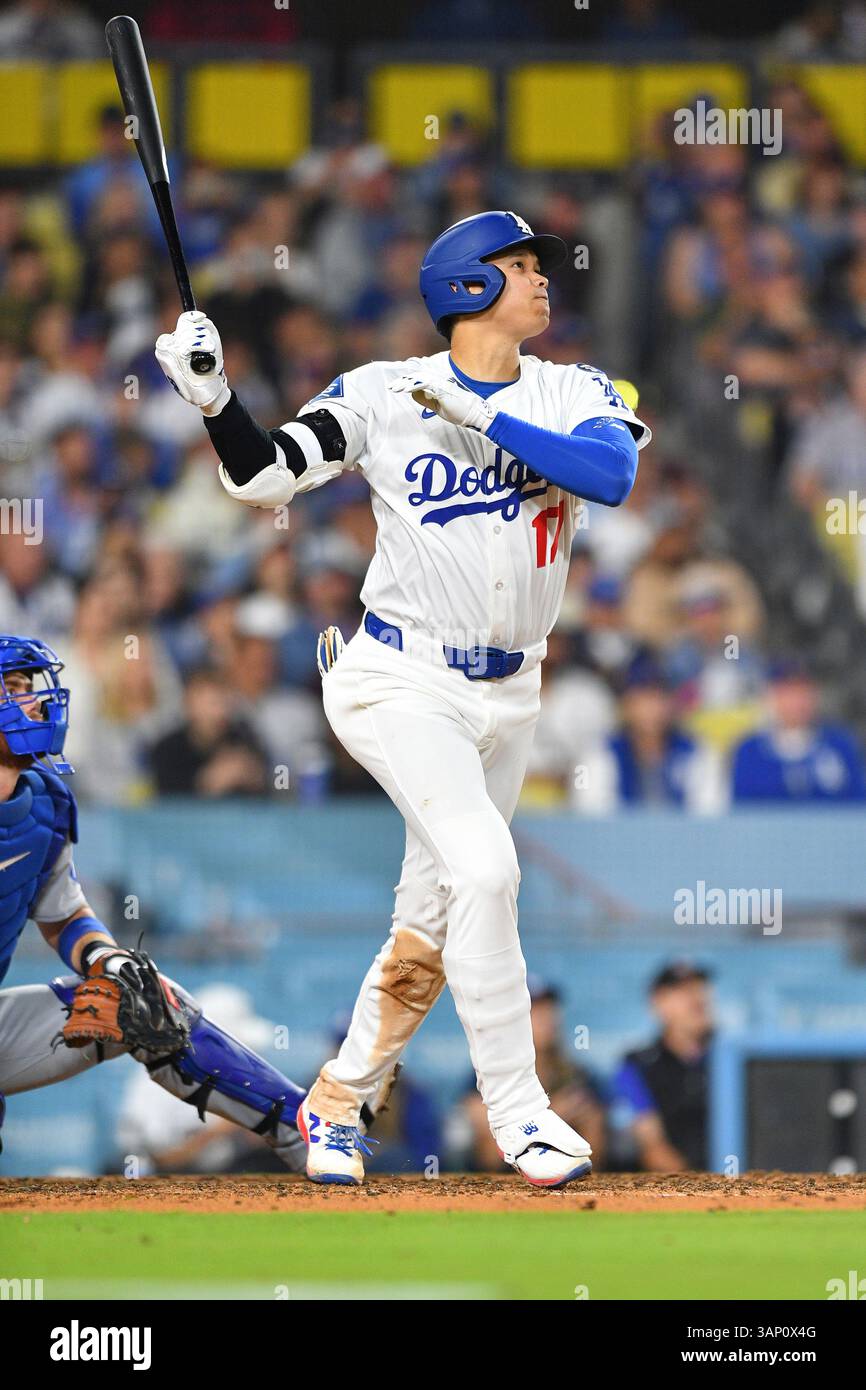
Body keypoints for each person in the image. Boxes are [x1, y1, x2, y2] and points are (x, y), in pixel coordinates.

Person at [156, 208, 652, 1187]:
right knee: (484, 866)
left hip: (511, 692)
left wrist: (481, 417)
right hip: (396, 675)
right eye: (519, 266)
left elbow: (612, 473)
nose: (542, 279)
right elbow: (264, 476)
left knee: (428, 928)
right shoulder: (384, 393)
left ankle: (334, 1104)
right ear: (466, 285)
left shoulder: (569, 387)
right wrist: (215, 396)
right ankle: (519, 1111)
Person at [0, 633, 307, 1168]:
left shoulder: (43, 805)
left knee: (144, 999)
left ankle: (305, 1127)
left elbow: (64, 913)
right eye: (14, 687)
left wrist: (104, 958)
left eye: (30, 686)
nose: (35, 700)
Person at [452, 977, 607, 1171]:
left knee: (592, 1118)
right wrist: (553, 1115)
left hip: (565, 1177)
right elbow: (487, 1142)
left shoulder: (576, 1073)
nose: (546, 1018)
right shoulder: (490, 1071)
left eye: (549, 1009)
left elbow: (596, 1132)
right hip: (501, 1181)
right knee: (488, 1131)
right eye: (534, 1011)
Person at [611, 962, 713, 1172]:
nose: (697, 998)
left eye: (700, 987)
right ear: (658, 1004)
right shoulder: (639, 1065)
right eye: (682, 991)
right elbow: (652, 1146)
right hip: (676, 1188)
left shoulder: (729, 1058)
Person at [731, 660, 866, 803]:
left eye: (803, 692)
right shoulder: (749, 751)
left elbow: (858, 807)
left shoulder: (840, 746)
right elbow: (742, 811)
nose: (796, 701)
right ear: (771, 697)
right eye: (787, 693)